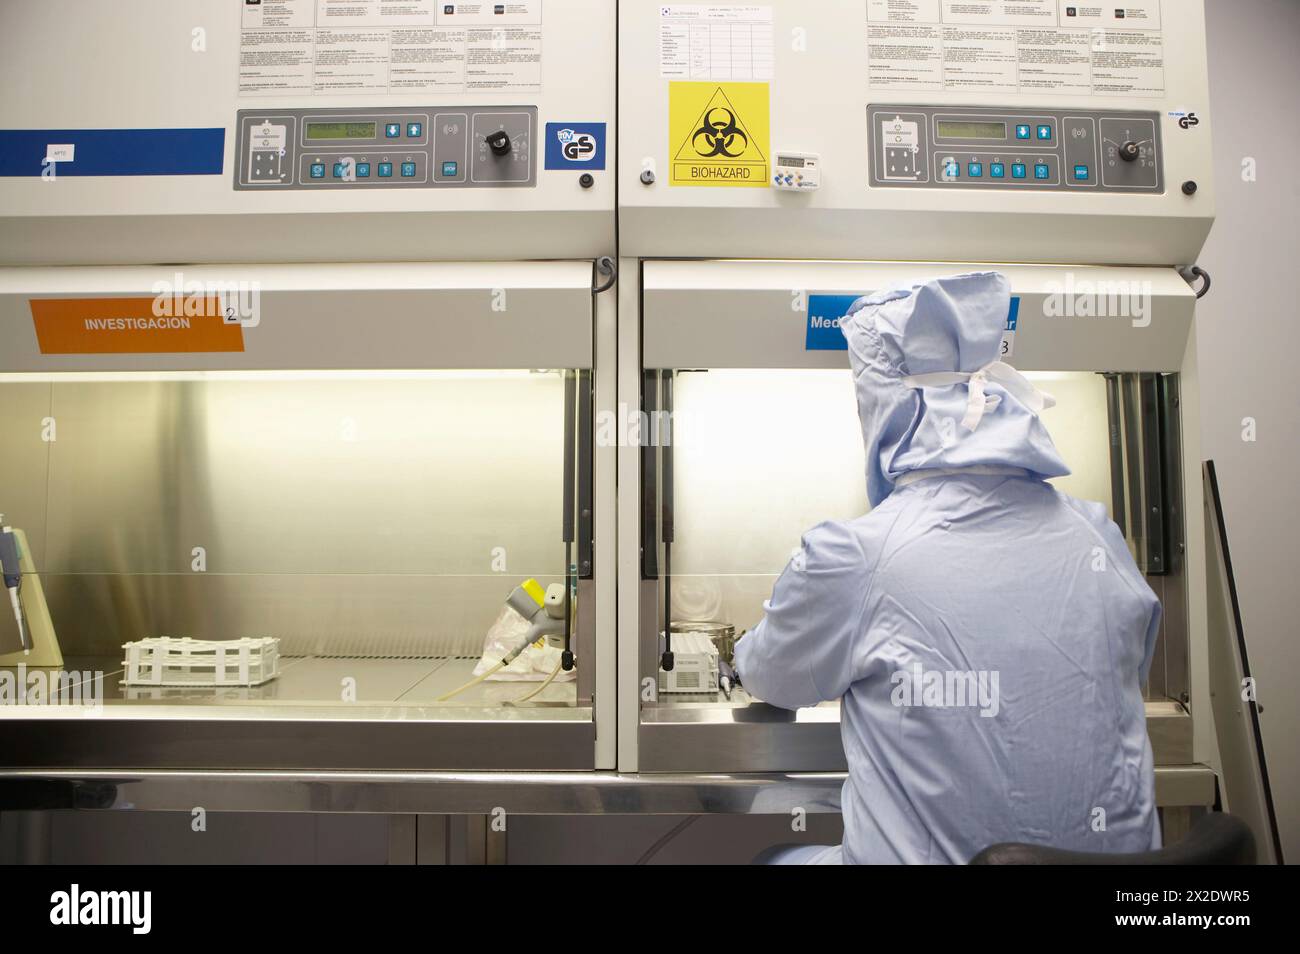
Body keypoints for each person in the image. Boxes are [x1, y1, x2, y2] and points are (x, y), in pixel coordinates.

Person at [734, 272, 1161, 865]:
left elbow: (771, 677)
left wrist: (741, 651)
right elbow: (1131, 669)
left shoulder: (860, 556)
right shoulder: (1099, 534)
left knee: (771, 858)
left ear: (892, 411)